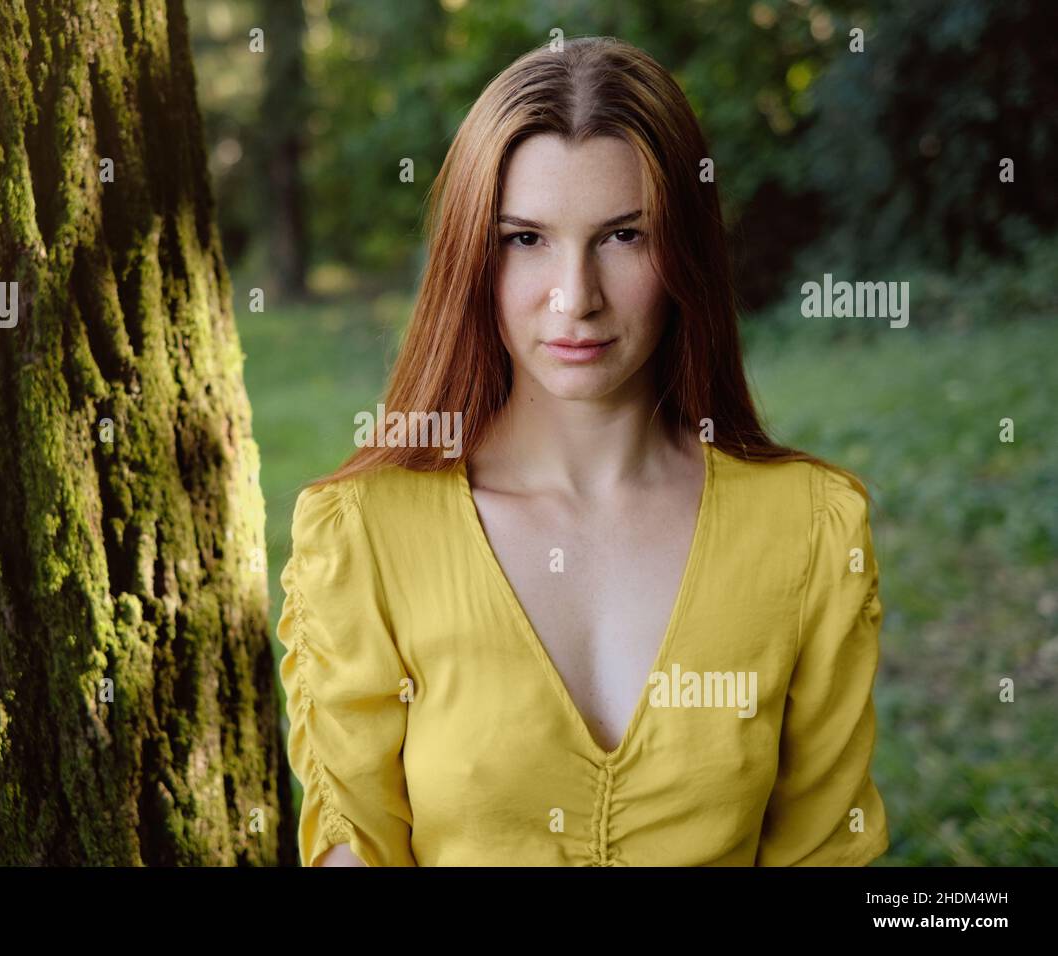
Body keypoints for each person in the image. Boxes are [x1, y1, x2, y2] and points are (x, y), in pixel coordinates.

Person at [277, 35, 888, 867]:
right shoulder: (365, 536)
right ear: (470, 256)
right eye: (525, 239)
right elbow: (356, 847)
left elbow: (825, 852)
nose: (577, 299)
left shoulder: (810, 530)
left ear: (683, 250)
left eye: (624, 236)